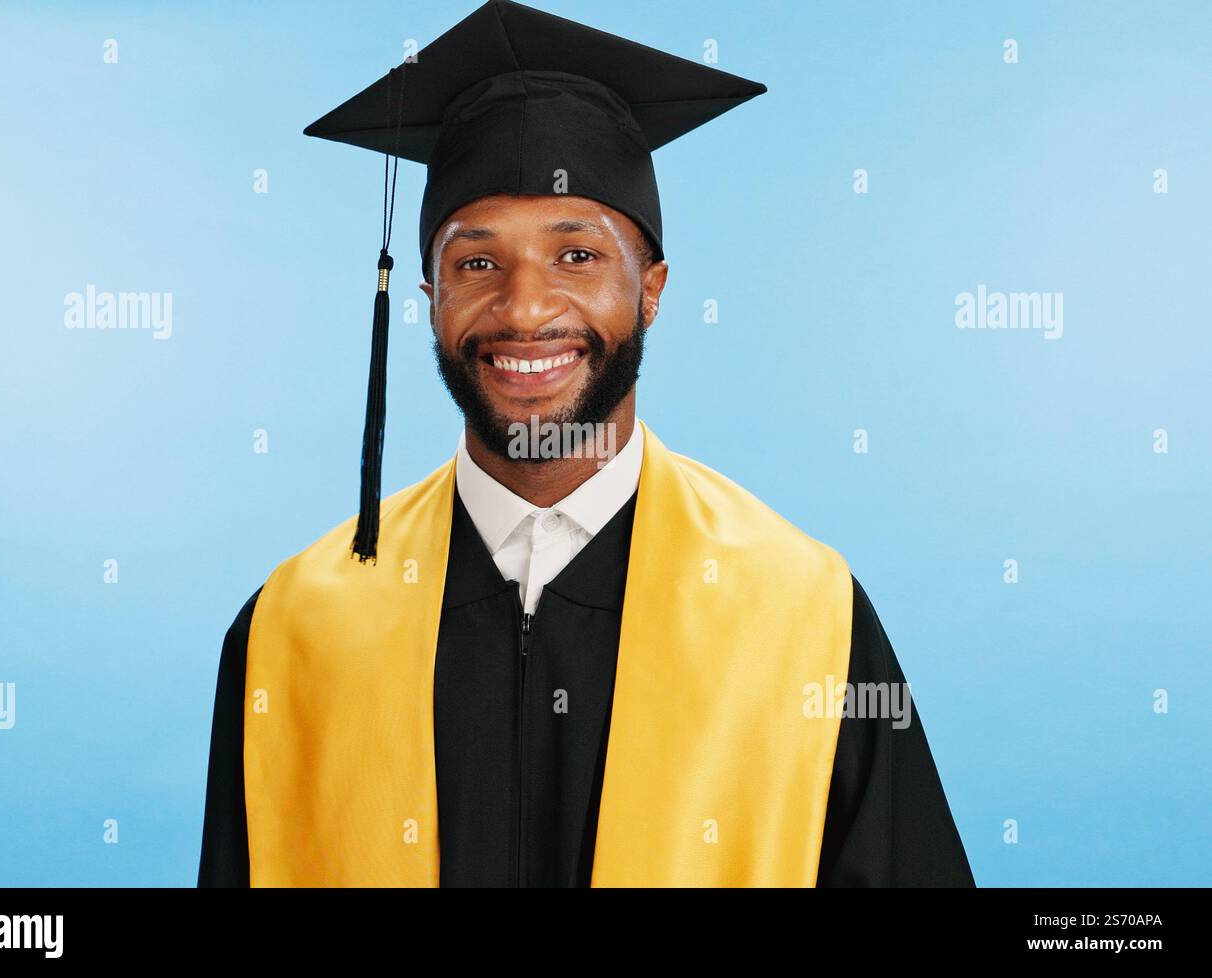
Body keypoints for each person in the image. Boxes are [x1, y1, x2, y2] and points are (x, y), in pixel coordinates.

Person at [198, 0, 974, 887]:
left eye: (577, 256)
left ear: (652, 290)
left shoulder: (803, 616)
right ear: (428, 296)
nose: (525, 309)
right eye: (477, 263)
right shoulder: (294, 629)